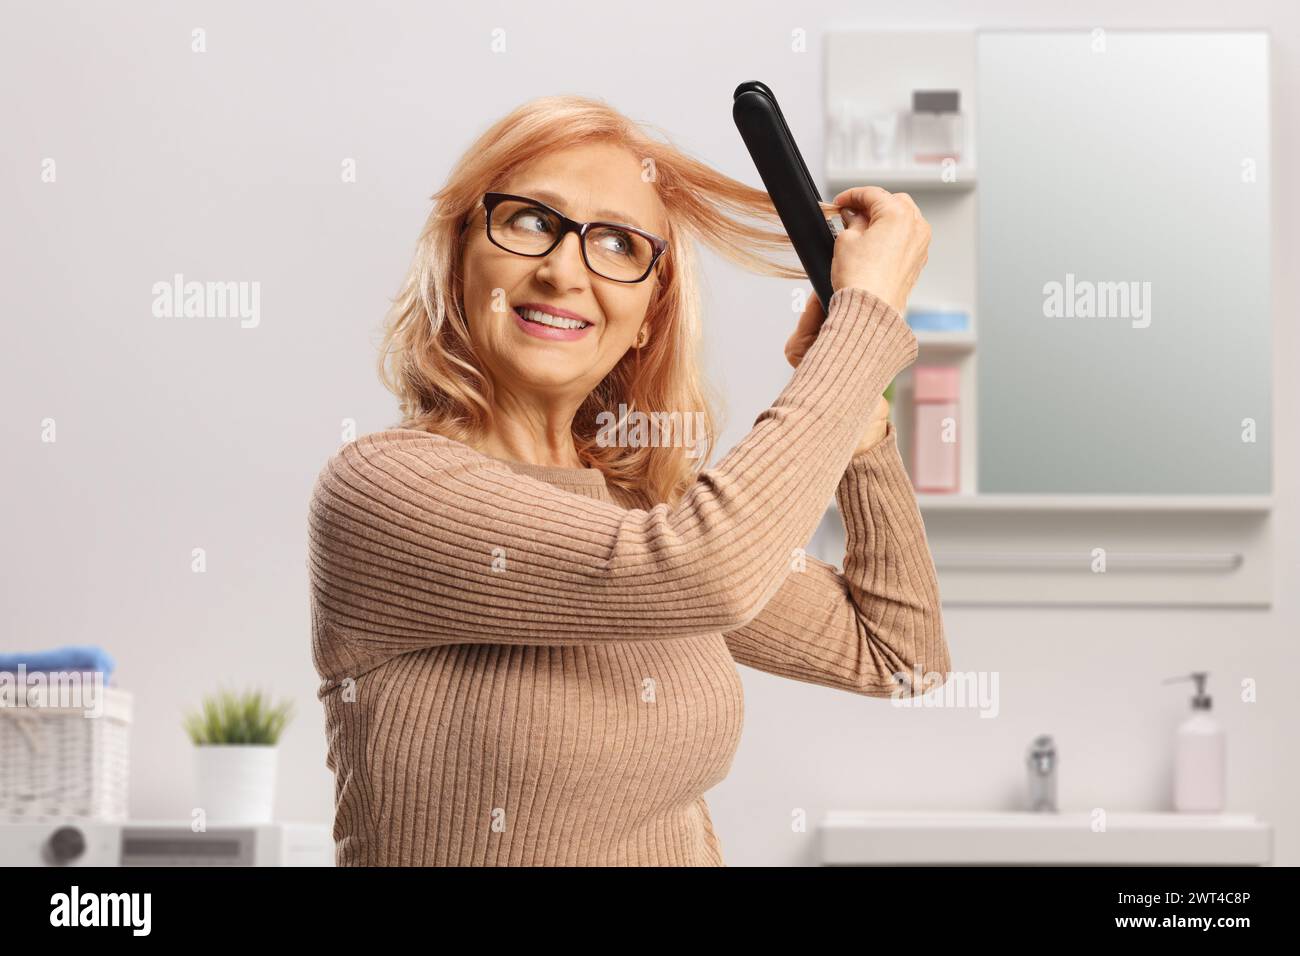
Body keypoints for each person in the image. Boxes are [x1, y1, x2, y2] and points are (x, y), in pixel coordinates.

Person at [307, 95, 947, 866]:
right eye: (532, 222)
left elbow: (900, 654)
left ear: (648, 313)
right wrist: (864, 326)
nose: (561, 271)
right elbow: (699, 567)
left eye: (615, 243)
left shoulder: (640, 511)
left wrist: (860, 419)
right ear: (459, 255)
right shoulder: (382, 489)